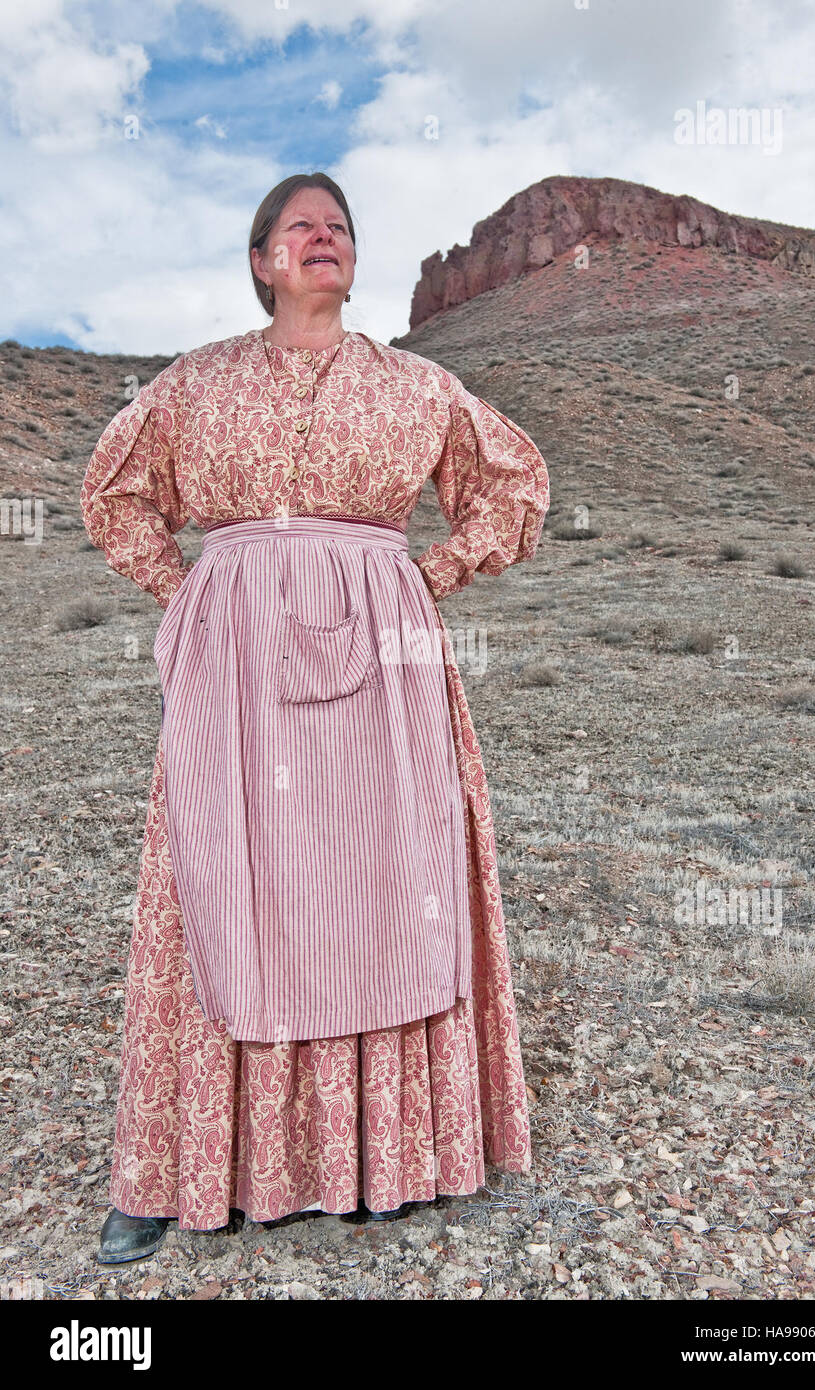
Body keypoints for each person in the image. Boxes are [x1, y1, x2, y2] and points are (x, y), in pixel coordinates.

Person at [79, 172, 550, 1264]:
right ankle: (173, 1169)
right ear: (261, 262)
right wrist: (189, 594)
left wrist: (428, 572)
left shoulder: (418, 386)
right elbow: (113, 494)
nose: (323, 234)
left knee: (383, 880)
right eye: (299, 225)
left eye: (338, 224)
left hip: (381, 650)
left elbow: (514, 481)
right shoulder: (192, 386)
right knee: (222, 877)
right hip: (235, 651)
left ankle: (388, 1158)